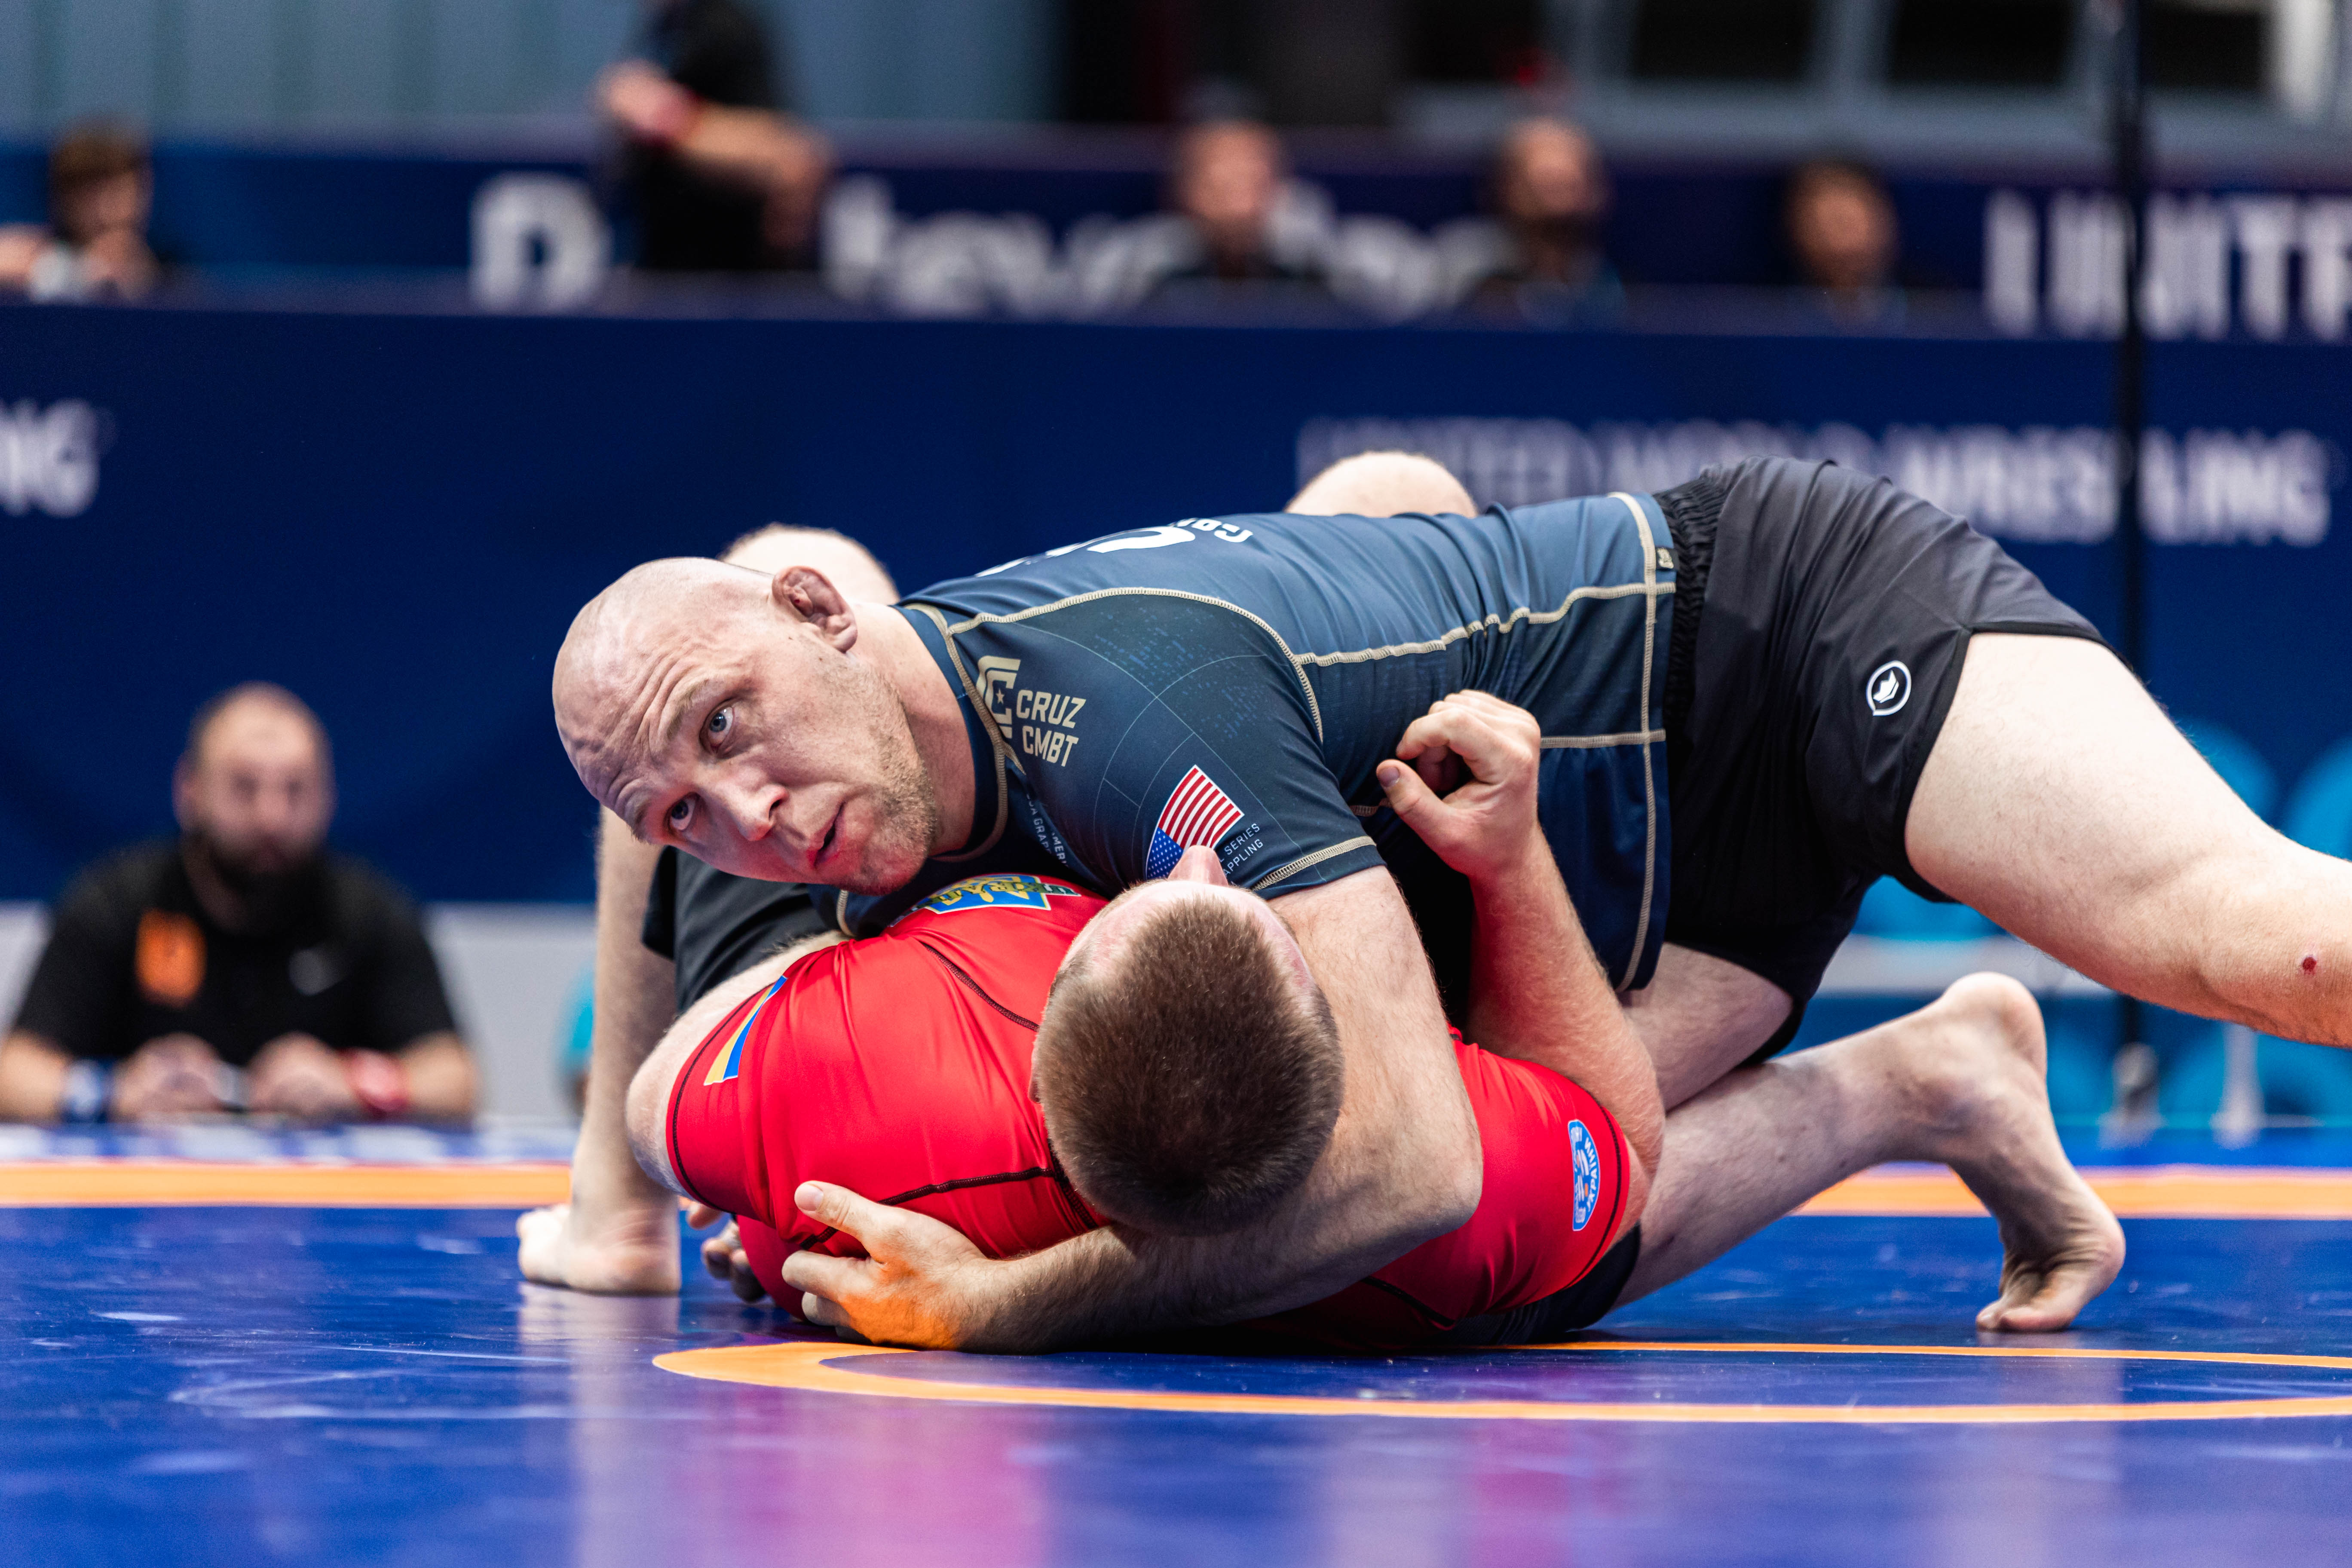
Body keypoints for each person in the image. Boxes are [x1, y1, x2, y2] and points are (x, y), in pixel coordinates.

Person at [550, 444, 2278, 1350]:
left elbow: (1413, 1162)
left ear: (821, 621)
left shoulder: (1135, 724)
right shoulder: (866, 789)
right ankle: (1931, 1074)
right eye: (688, 815)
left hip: (1781, 635)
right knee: (1500, 1256)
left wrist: (995, 1304)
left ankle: (601, 1212)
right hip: (1619, 898)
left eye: (735, 735)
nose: (750, 815)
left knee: (2250, 940)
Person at [606, 690, 2093, 1351]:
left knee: (768, 597)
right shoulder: (1470, 1178)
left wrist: (813, 1238)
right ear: (1366, 1024)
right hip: (1459, 1246)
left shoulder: (853, 1065)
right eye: (1205, 883)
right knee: (1560, 1258)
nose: (1194, 849)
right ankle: (1917, 1077)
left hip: (891, 1075)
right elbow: (1607, 1136)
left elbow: (663, 1098)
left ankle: (590, 1225)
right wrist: (1506, 866)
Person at [0, 685, 476, 1124]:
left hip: (321, 1199)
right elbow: (15, 1074)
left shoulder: (368, 909)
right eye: (244, 787)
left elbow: (456, 1079)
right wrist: (113, 1091)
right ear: (190, 792)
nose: (272, 817)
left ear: (328, 798)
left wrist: (355, 1082)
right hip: (145, 1196)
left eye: (295, 790)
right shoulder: (116, 902)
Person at [599, 0, 832, 273]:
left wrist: (662, 115)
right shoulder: (664, 29)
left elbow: (786, 151)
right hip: (665, 267)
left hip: (728, 279)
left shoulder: (726, 28)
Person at [1459, 117, 1623, 325]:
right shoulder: (1469, 280)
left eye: (1569, 182)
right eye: (1541, 181)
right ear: (1503, 189)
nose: (1556, 193)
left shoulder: (1616, 289)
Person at [1146, 120, 1323, 299]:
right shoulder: (1146, 268)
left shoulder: (1318, 265)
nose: (1240, 209)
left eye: (1254, 185)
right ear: (1183, 191)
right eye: (1221, 187)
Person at [0, 122, 160, 302]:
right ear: (65, 201)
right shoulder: (37, 254)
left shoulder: (170, 272)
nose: (106, 213)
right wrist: (79, 272)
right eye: (90, 198)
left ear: (143, 194)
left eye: (118, 195)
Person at [1784, 158, 1902, 322]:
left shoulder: (1934, 304)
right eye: (1834, 221)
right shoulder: (1766, 309)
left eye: (1852, 221)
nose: (1844, 242)